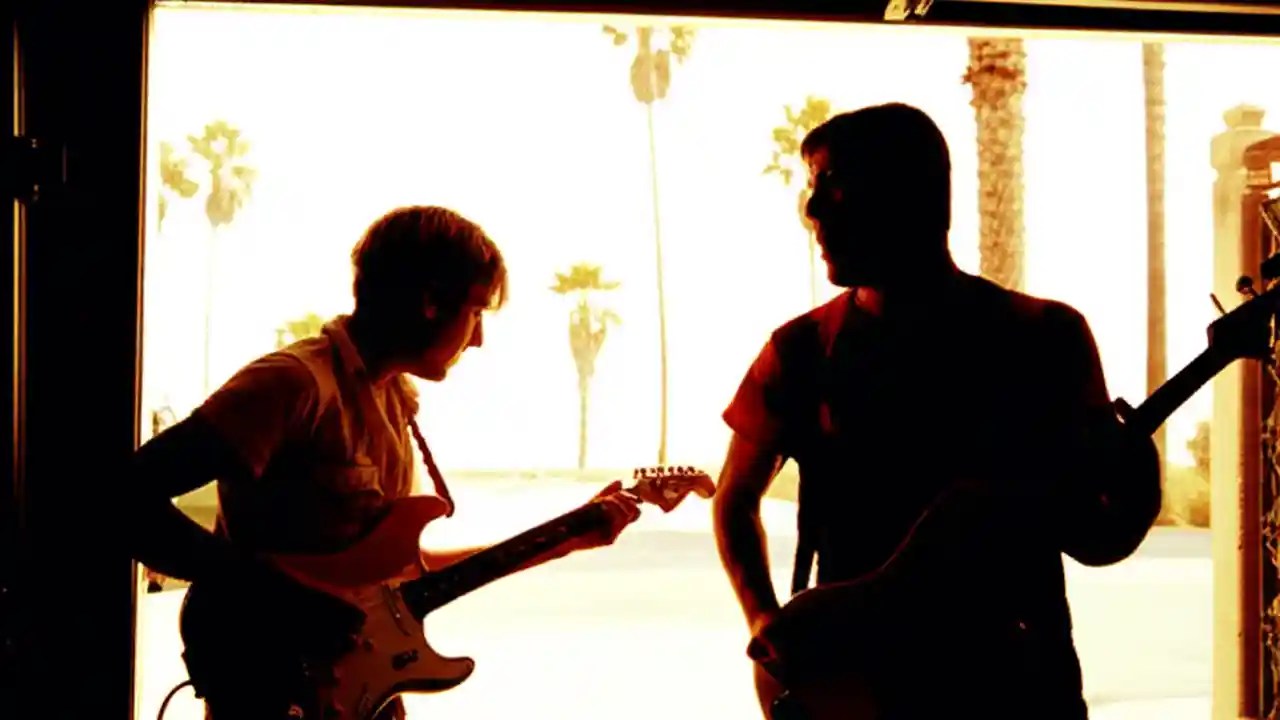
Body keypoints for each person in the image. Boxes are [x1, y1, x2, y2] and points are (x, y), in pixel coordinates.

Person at [711, 103, 1161, 719]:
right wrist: (767, 626)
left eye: (832, 185)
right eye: (812, 189)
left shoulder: (1044, 337)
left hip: (1016, 689)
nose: (812, 212)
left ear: (908, 195)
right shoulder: (799, 351)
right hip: (856, 684)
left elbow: (1093, 537)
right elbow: (734, 499)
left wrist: (1135, 478)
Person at [126, 205, 643, 719]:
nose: (479, 337)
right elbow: (123, 498)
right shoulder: (292, 384)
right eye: (477, 311)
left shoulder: (397, 402)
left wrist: (563, 540)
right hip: (278, 692)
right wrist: (281, 597)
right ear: (430, 302)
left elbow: (391, 578)